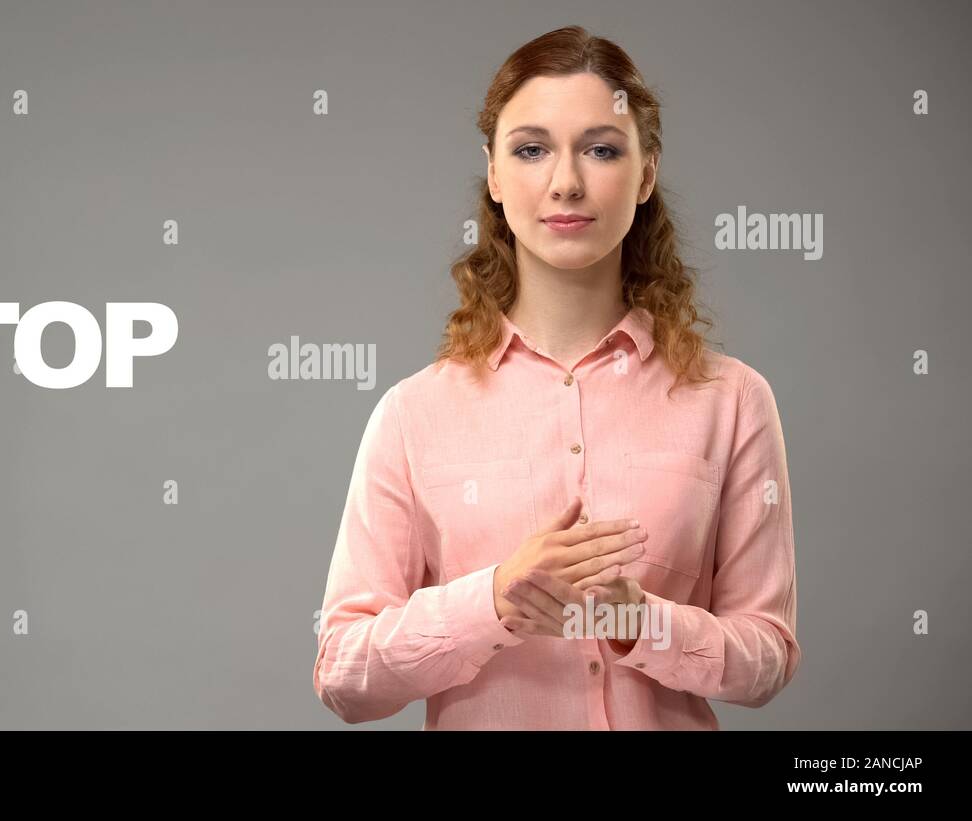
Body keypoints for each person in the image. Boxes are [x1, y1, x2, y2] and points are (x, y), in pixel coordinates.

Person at [312, 25, 800, 730]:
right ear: (494, 172)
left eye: (601, 149)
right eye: (532, 149)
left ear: (647, 172)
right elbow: (343, 675)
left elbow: (769, 654)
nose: (566, 181)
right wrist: (494, 602)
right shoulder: (412, 415)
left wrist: (647, 625)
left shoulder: (732, 400)